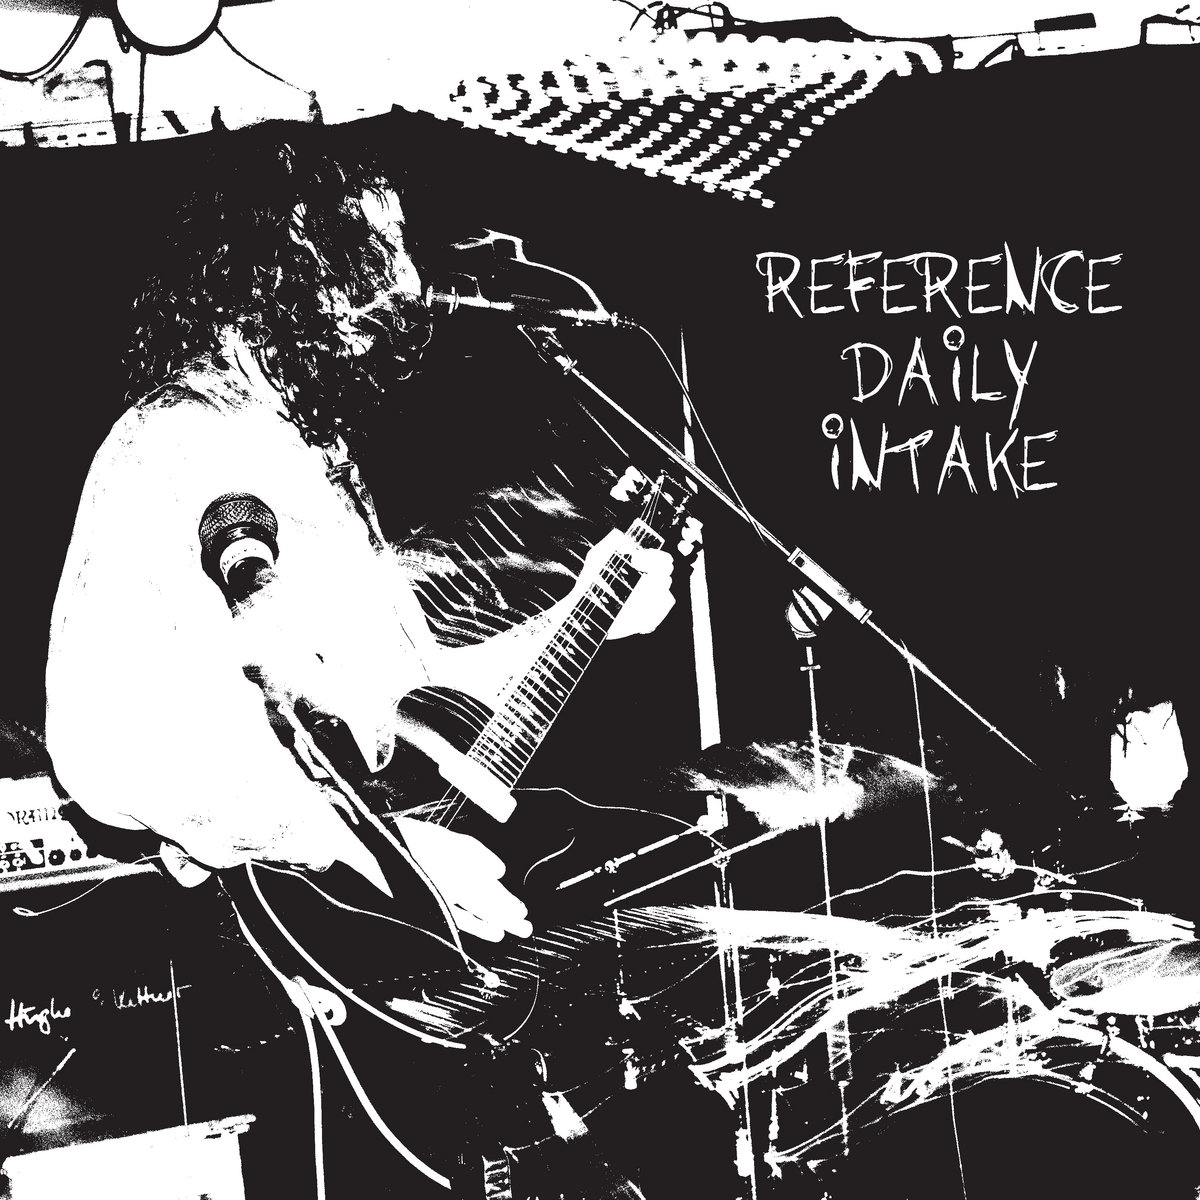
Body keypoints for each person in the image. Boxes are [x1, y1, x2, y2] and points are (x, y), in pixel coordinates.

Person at [44, 124, 675, 945]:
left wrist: (584, 615)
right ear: (279, 267)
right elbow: (106, 749)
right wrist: (371, 847)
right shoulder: (169, 443)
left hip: (378, 930)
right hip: (269, 948)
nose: (405, 283)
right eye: (372, 252)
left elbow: (410, 709)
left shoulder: (314, 457)